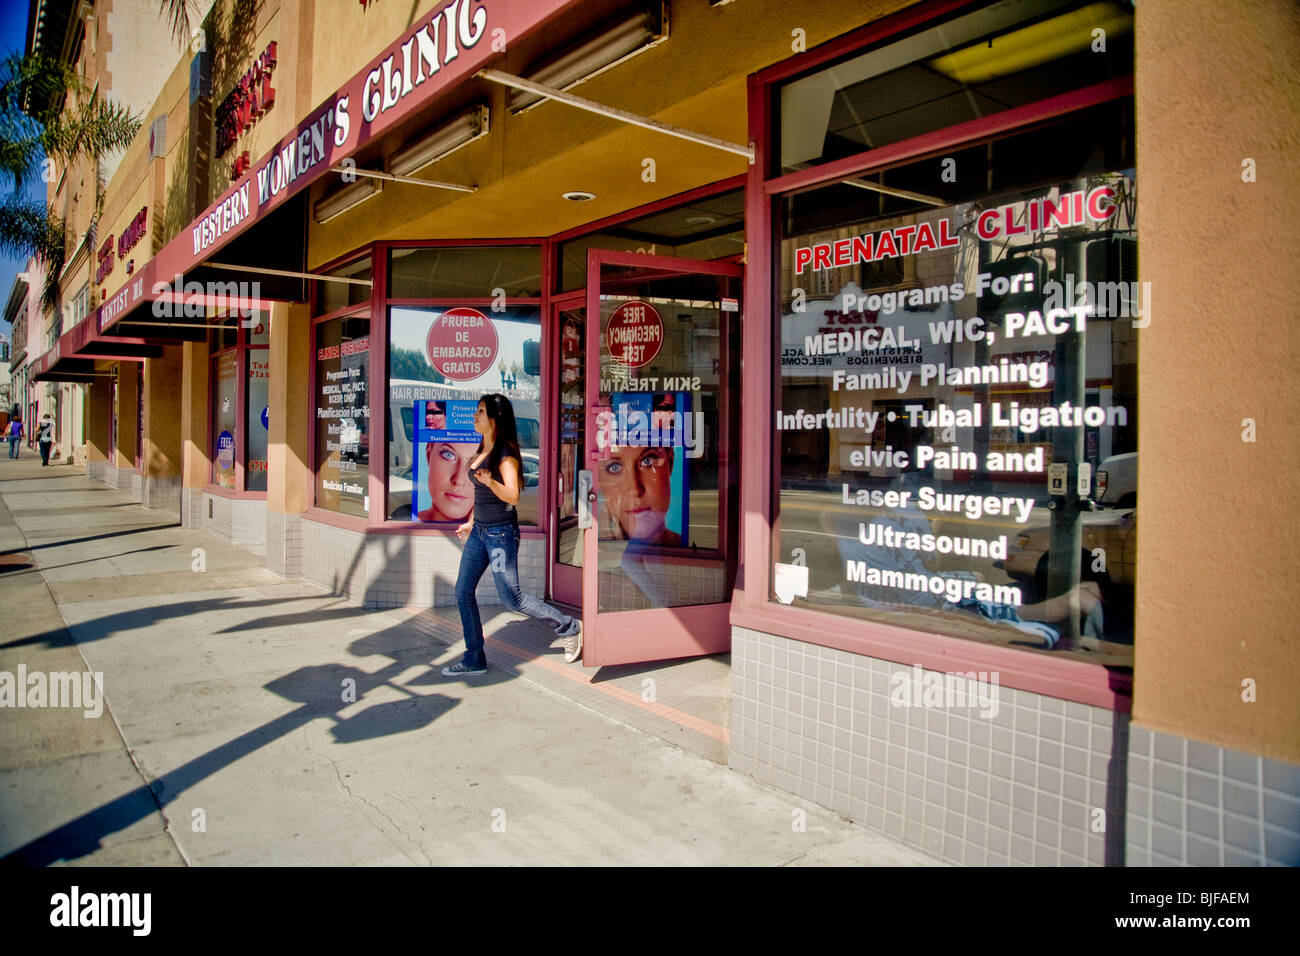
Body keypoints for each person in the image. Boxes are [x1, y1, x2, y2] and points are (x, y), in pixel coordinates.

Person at [443, 394, 582, 676]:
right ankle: (474, 658)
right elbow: (482, 497)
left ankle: (569, 626)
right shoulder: (483, 449)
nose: (475, 416)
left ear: (495, 418)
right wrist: (471, 523)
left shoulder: (505, 455)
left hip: (500, 535)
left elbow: (514, 495)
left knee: (512, 598)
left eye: (480, 412)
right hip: (480, 531)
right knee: (462, 591)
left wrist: (491, 481)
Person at [597, 445, 680, 546]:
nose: (635, 490)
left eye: (647, 461)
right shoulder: (588, 551)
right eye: (614, 467)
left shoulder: (692, 554)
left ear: (670, 464)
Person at [415, 439, 477, 522]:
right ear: (429, 453)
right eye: (448, 455)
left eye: (476, 463)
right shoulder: (404, 524)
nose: (459, 480)